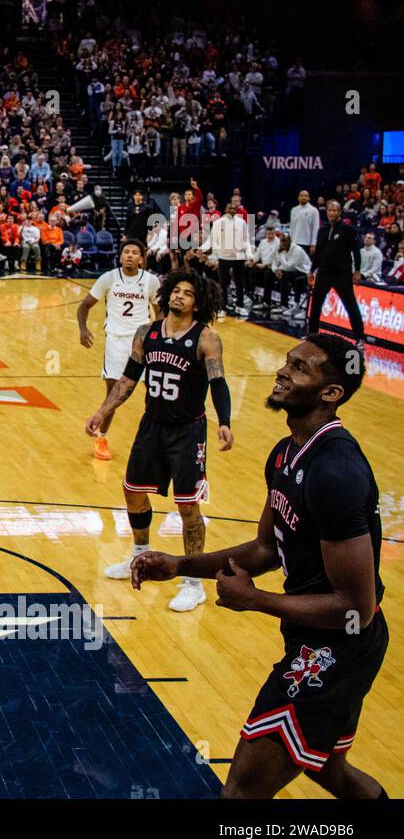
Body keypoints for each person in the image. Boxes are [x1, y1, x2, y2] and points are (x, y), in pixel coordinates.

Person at [132, 334, 388, 799]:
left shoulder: (335, 472)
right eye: (287, 362)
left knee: (243, 789)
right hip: (316, 633)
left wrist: (256, 600)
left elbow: (357, 608)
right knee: (327, 769)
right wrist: (179, 565)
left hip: (338, 647)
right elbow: (267, 549)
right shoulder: (285, 452)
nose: (283, 371)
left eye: (300, 368)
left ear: (332, 394)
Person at [85, 270, 233, 613]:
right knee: (132, 490)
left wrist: (224, 422)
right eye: (176, 291)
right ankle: (140, 556)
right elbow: (126, 381)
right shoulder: (146, 333)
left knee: (188, 508)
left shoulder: (206, 338)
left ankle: (193, 583)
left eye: (187, 293)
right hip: (151, 426)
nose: (179, 296)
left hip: (188, 432)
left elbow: (218, 384)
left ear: (199, 303)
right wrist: (101, 412)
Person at [76, 238, 161, 460]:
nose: (130, 255)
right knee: (113, 392)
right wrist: (83, 330)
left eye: (134, 252)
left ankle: (155, 440)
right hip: (115, 340)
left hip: (142, 342)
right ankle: (102, 437)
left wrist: (157, 333)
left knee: (153, 392)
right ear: (120, 256)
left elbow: (161, 311)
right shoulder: (109, 278)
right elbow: (84, 306)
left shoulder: (151, 281)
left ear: (142, 258)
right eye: (126, 252)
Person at [307, 200, 364, 341]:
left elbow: (356, 251)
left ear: (339, 212)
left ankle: (360, 338)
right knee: (315, 305)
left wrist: (357, 270)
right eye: (329, 210)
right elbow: (318, 252)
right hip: (324, 272)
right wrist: (312, 270)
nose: (331, 213)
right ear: (326, 212)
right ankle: (312, 335)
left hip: (342, 274)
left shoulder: (347, 230)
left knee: (350, 305)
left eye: (334, 210)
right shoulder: (322, 230)